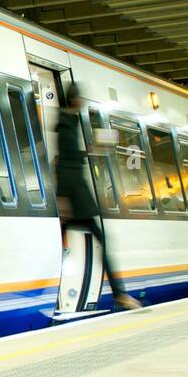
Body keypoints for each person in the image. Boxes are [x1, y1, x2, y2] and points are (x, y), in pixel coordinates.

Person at [54, 84, 141, 311]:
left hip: (75, 197)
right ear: (74, 100)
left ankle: (119, 294)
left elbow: (69, 158)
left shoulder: (68, 122)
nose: (82, 102)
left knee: (63, 246)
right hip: (75, 198)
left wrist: (90, 151)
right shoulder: (66, 124)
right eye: (80, 98)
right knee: (101, 242)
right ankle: (120, 295)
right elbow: (64, 164)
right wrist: (64, 201)